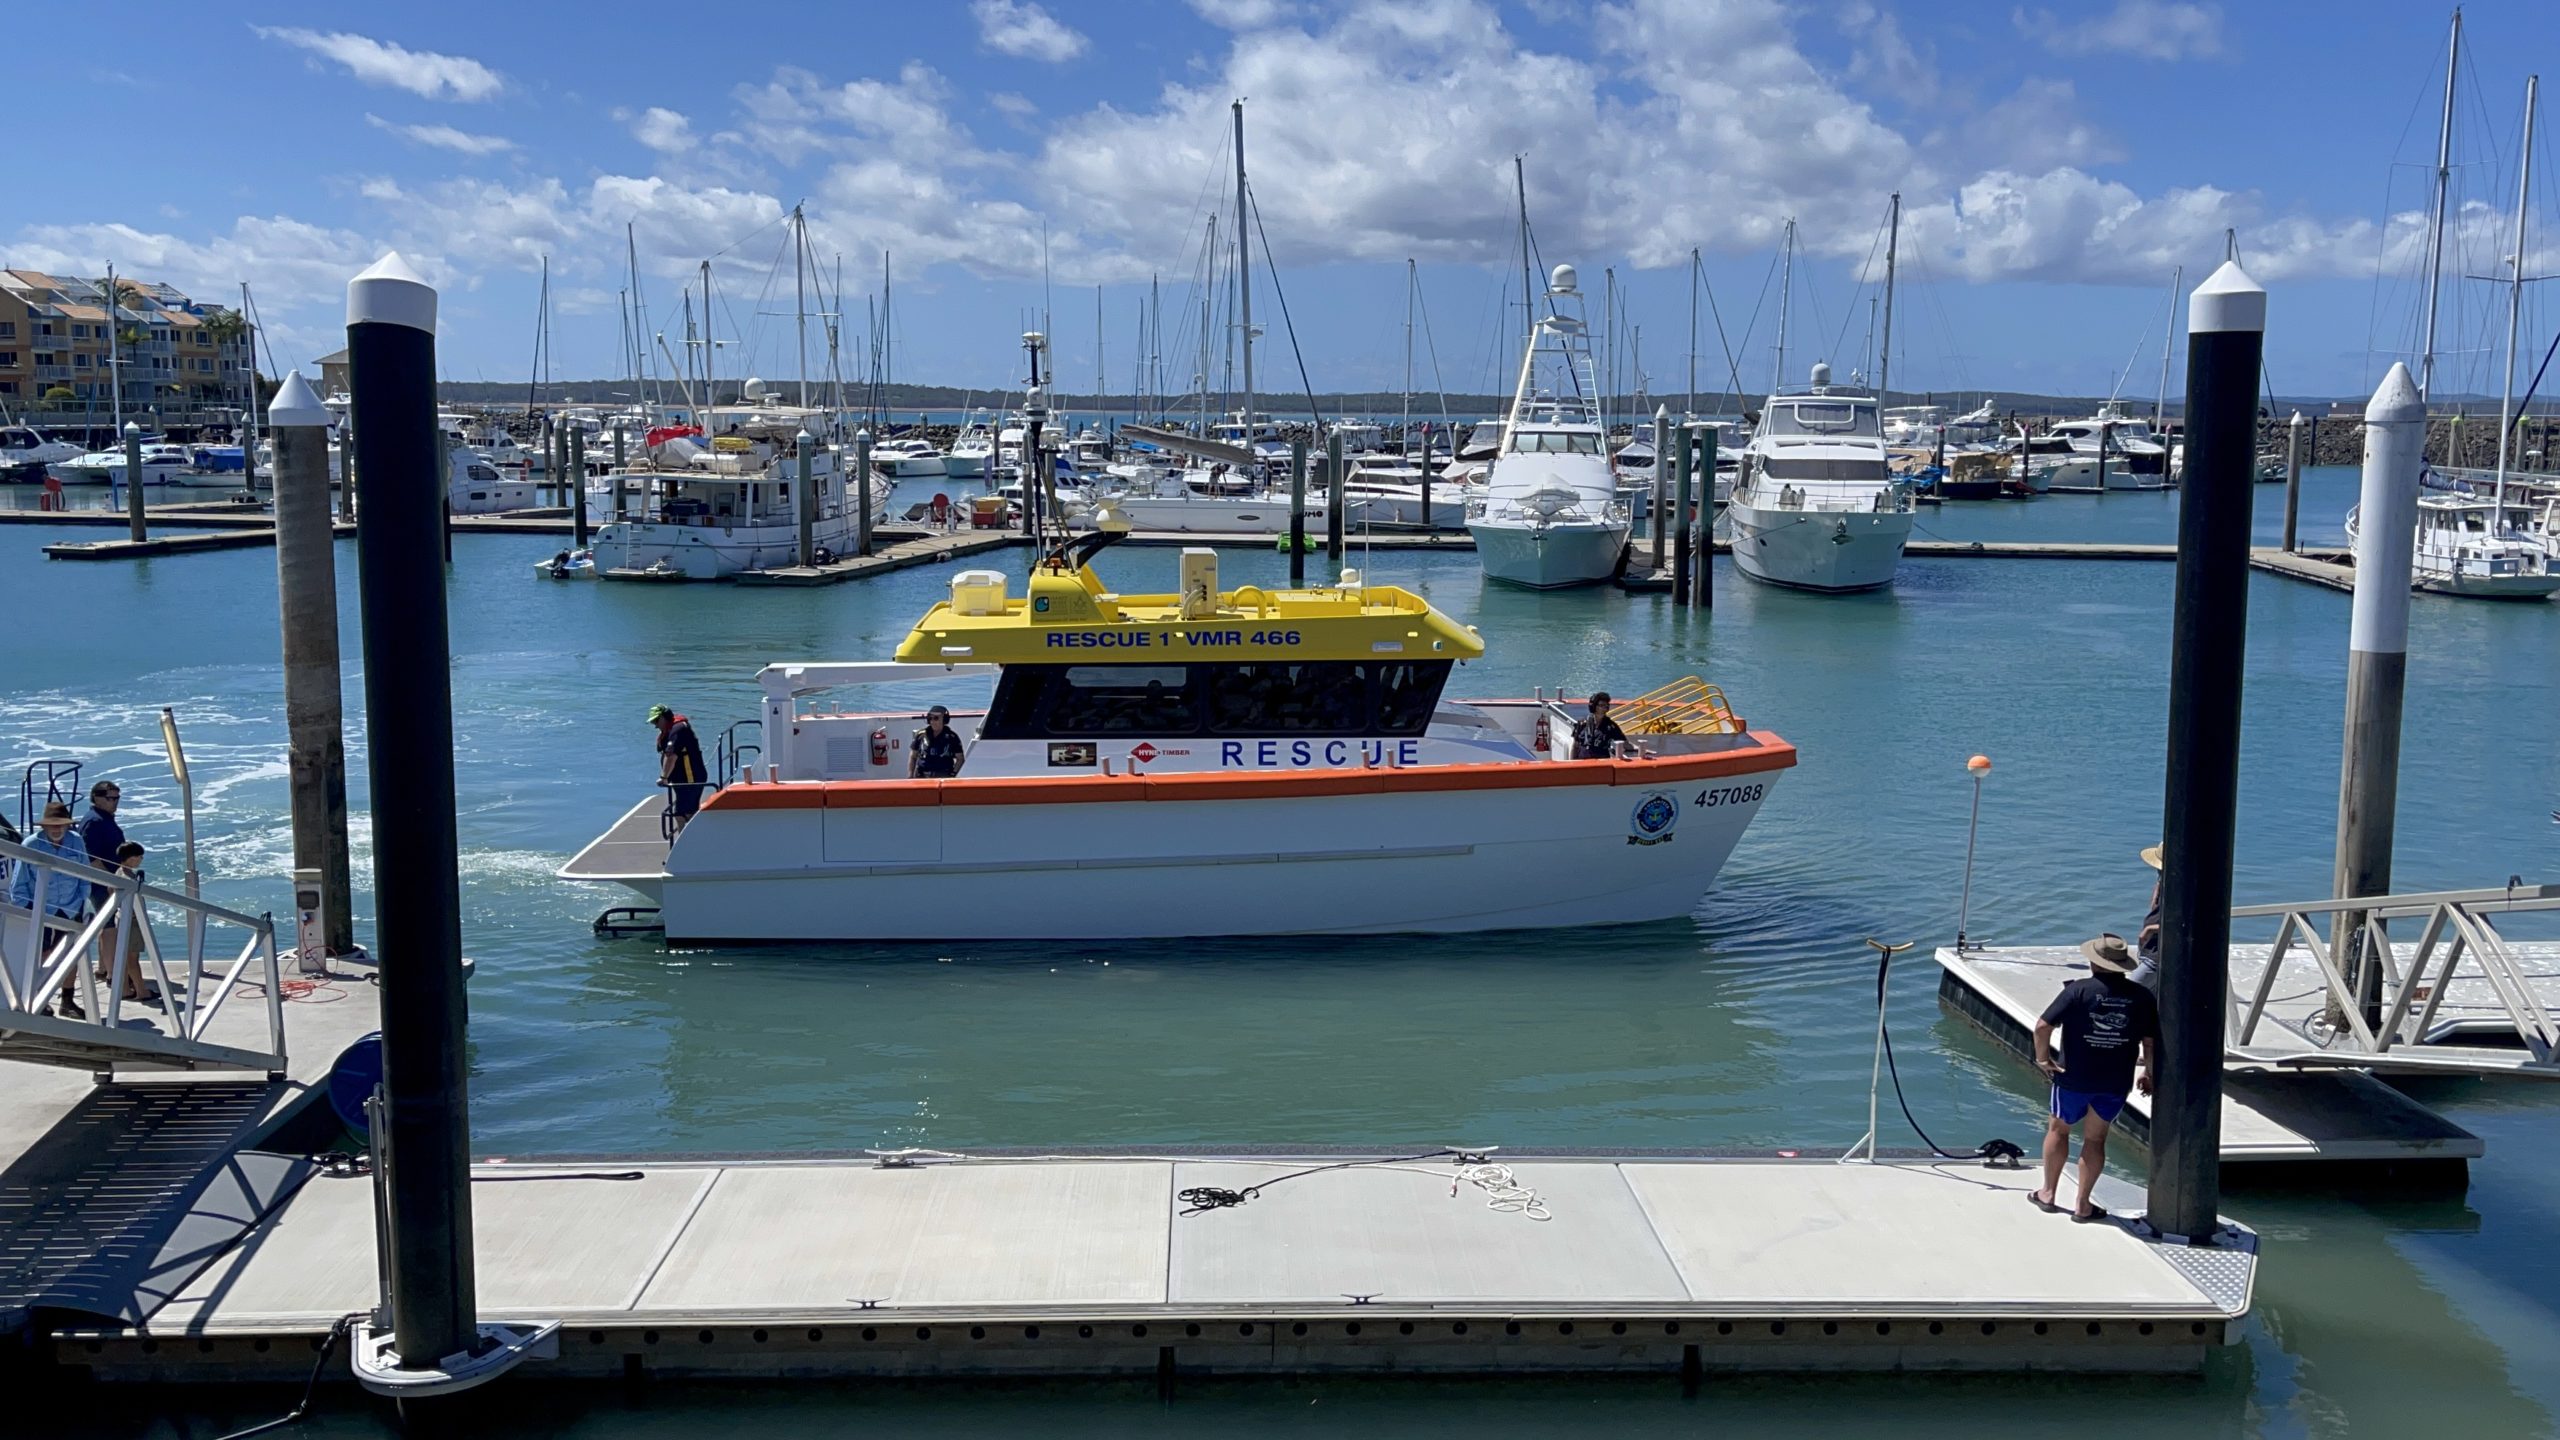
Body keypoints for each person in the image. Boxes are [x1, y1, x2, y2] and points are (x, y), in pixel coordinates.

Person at [2031, 934, 2160, 1224]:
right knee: (2096, 1138)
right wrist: (2149, 1073)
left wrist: (2042, 1059)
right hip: (2114, 1080)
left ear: (2094, 962)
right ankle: (2083, 1205)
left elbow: (2042, 1026)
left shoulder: (2077, 991)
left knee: (2058, 1129)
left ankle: (2048, 1193)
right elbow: (2149, 1042)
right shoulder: (2141, 996)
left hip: (2071, 1077)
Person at [10, 802, 94, 1018]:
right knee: (43, 955)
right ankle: (40, 999)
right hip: (41, 909)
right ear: (44, 826)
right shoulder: (30, 844)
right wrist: (28, 912)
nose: (56, 829)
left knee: (72, 955)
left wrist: (82, 902)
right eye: (52, 825)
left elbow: (85, 875)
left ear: (67, 826)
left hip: (71, 907)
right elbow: (18, 885)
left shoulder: (76, 842)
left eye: (61, 825)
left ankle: (67, 1001)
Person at [648, 704, 708, 831]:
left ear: (664, 717)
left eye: (656, 721)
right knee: (683, 811)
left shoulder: (678, 729)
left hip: (690, 777)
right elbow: (666, 754)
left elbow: (671, 757)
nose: (655, 725)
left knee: (685, 812)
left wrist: (663, 777)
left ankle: (687, 841)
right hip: (682, 778)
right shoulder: (669, 730)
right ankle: (686, 841)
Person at [2132, 844, 2164, 991]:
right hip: (2149, 950)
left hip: (2158, 955)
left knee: (2131, 991)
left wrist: (2151, 929)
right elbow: (2154, 907)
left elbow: (2183, 924)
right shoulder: (2164, 885)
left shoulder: (2179, 892)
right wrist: (2158, 885)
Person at [911, 704, 967, 778]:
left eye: (936, 718)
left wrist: (952, 774)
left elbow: (960, 759)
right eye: (930, 718)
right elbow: (913, 756)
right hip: (922, 775)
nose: (932, 721)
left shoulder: (952, 737)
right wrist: (910, 775)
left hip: (943, 775)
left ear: (944, 720)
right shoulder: (921, 735)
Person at [1570, 691, 1627, 760]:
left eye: (1606, 706)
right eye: (1601, 705)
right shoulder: (1582, 724)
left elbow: (1622, 743)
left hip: (1601, 763)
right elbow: (1575, 746)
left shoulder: (1611, 726)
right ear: (1594, 706)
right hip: (1582, 762)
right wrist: (1571, 763)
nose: (1604, 708)